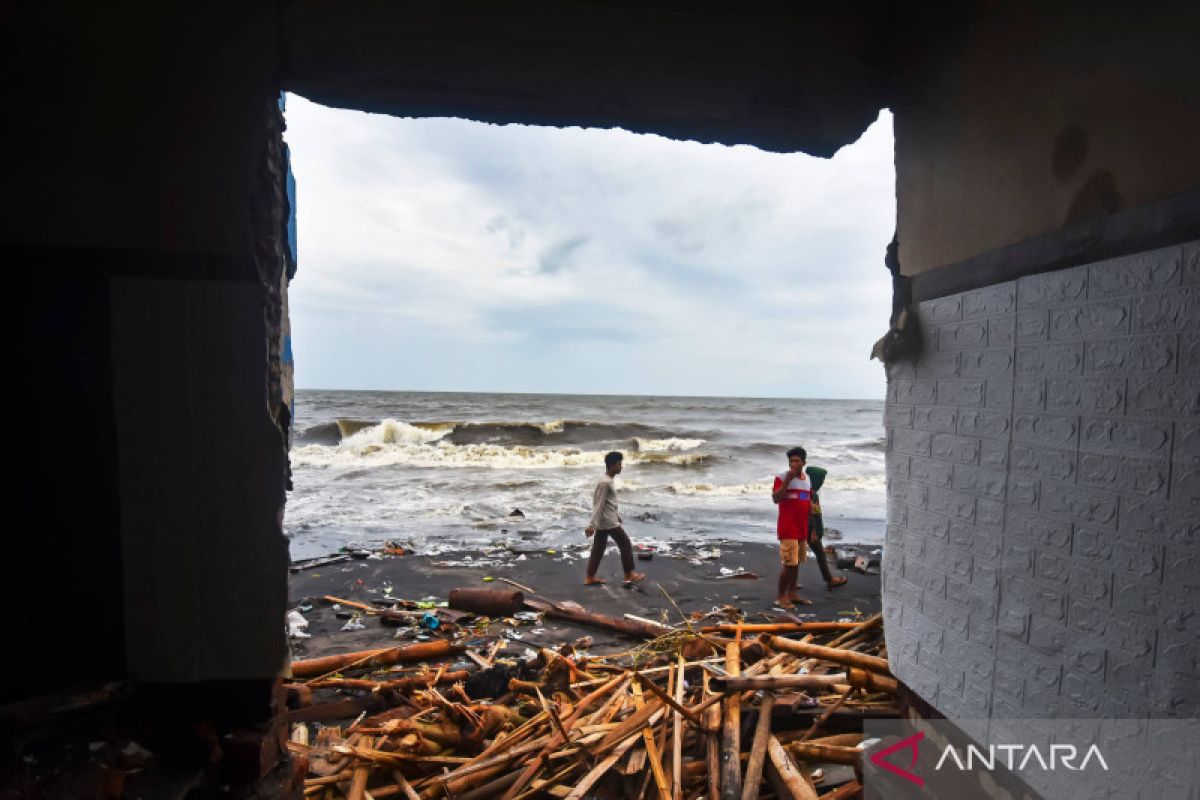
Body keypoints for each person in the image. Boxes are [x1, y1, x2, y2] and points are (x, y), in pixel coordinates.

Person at [584, 451, 646, 585]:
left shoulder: (607, 480)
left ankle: (590, 577)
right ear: (612, 466)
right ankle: (629, 574)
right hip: (607, 522)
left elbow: (607, 503)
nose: (621, 467)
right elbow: (598, 504)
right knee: (625, 543)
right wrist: (591, 525)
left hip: (607, 520)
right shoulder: (605, 482)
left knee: (598, 548)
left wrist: (616, 515)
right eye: (619, 464)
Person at [771, 446, 812, 608]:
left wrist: (812, 527)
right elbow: (776, 498)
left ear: (803, 462)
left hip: (802, 528)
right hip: (788, 528)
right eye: (791, 461)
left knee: (796, 563)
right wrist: (787, 480)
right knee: (788, 564)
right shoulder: (781, 477)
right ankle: (781, 596)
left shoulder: (807, 479)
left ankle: (793, 593)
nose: (793, 464)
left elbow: (807, 501)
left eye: (797, 461)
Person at [804, 465, 848, 590]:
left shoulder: (806, 491)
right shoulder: (811, 493)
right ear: (814, 479)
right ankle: (829, 579)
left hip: (804, 528)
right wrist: (813, 531)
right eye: (821, 479)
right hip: (811, 530)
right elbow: (810, 513)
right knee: (820, 554)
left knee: (796, 556)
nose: (822, 482)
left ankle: (791, 584)